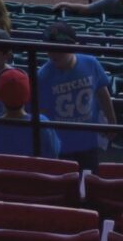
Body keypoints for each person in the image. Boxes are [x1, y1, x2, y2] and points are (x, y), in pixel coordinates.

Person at [34, 20, 114, 160]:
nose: (53, 53)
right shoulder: (43, 76)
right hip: (59, 144)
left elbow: (103, 94)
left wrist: (112, 122)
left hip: (88, 141)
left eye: (59, 48)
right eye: (49, 48)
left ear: (73, 46)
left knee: (88, 177)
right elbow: (42, 114)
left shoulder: (91, 63)